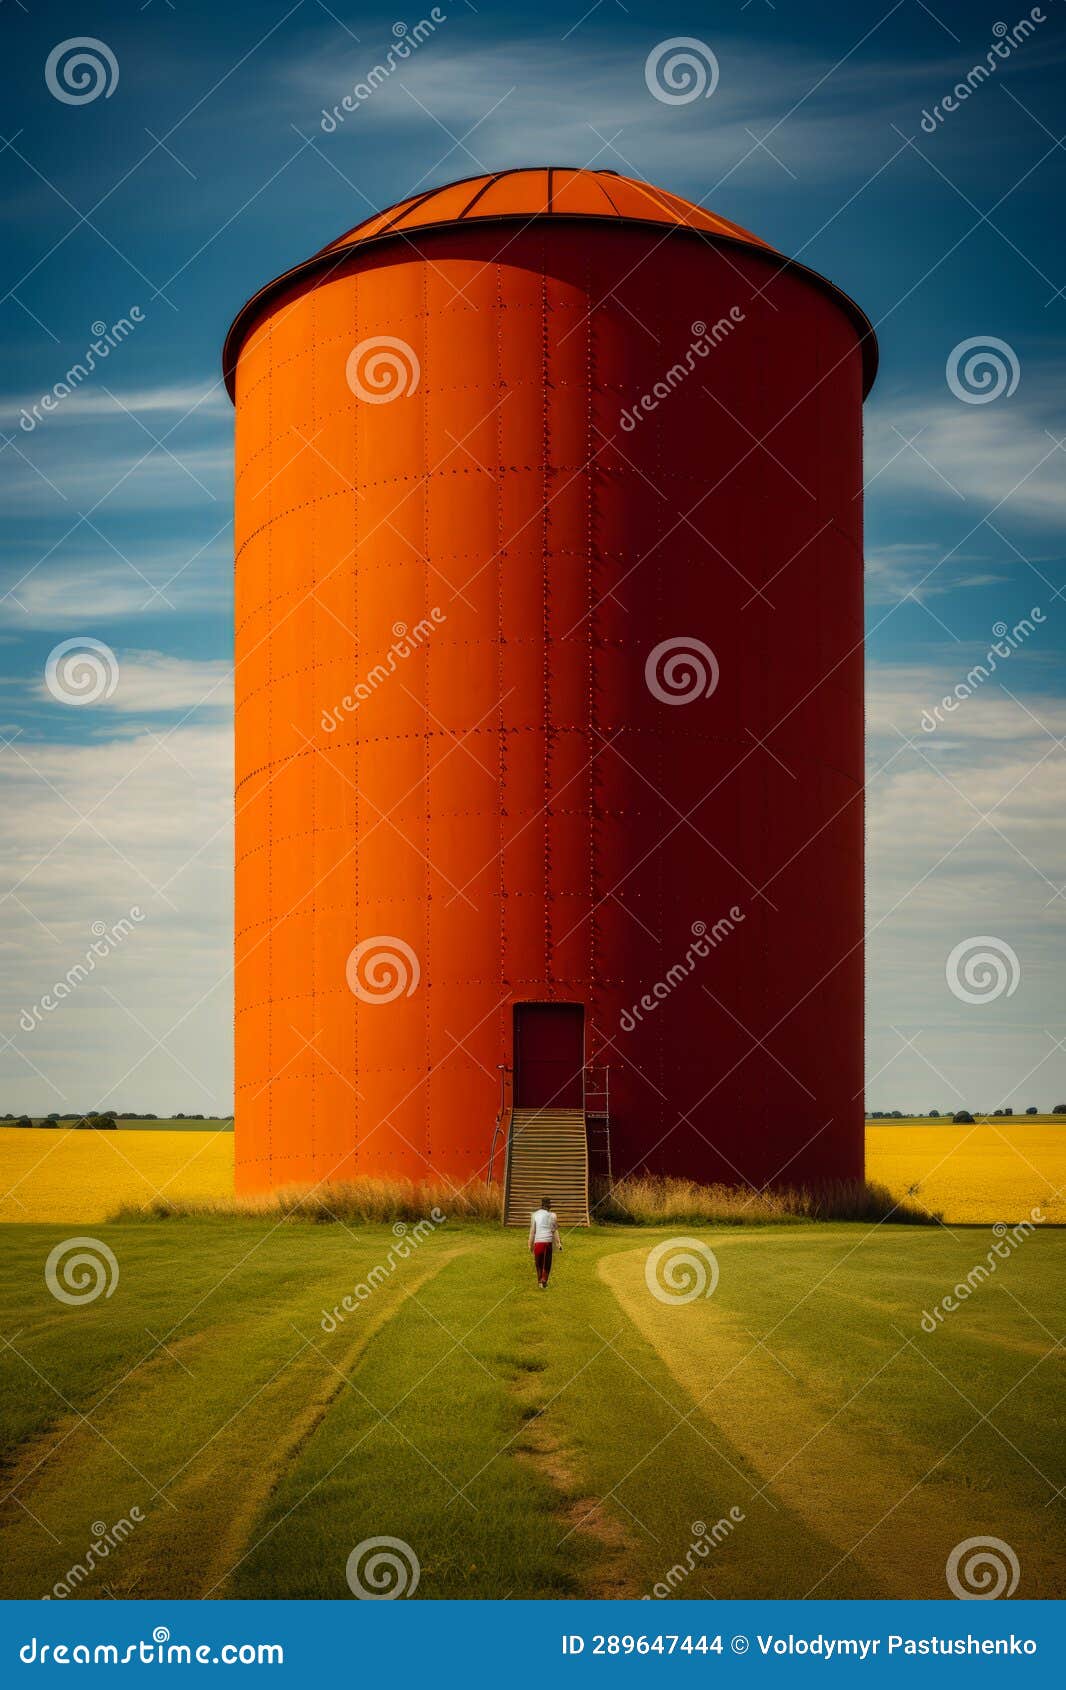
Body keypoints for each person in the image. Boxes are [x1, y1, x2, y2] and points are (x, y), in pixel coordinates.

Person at [528, 1198, 562, 1289]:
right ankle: (544, 1281)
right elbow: (554, 1231)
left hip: (538, 1242)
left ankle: (540, 1281)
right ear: (549, 1207)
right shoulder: (553, 1215)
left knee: (538, 1263)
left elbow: (532, 1231)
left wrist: (530, 1244)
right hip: (547, 1242)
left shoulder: (534, 1215)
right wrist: (558, 1243)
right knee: (547, 1263)